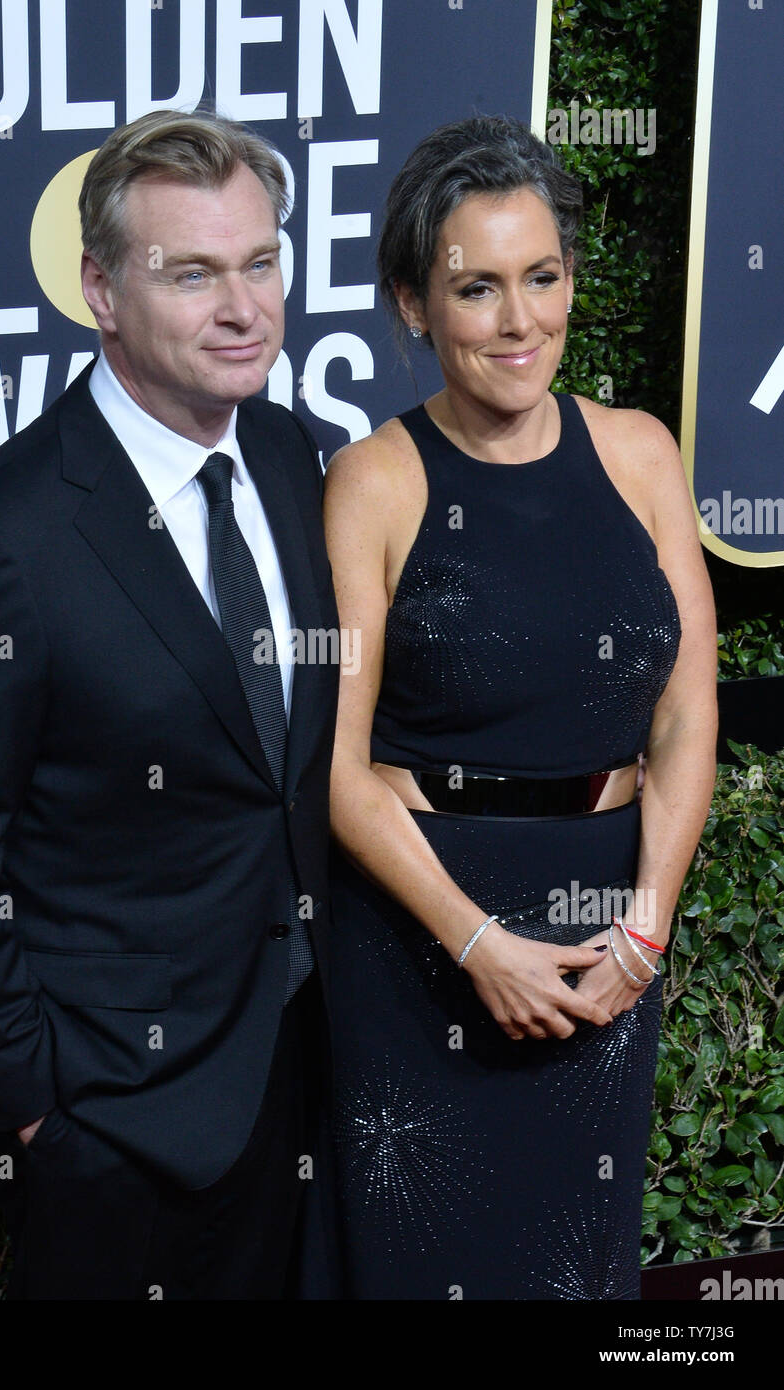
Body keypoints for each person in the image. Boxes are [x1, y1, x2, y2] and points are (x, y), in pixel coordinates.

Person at [0, 109, 340, 1300]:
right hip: (118, 1126)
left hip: (305, 1076)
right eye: (192, 273)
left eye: (260, 262)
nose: (244, 308)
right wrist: (40, 1113)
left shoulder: (291, 456)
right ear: (100, 288)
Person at [322, 115, 717, 1300]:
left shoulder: (641, 453)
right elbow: (336, 766)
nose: (518, 321)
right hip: (419, 944)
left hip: (609, 941)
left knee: (575, 1270)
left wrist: (642, 929)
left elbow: (686, 712)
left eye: (540, 278)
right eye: (476, 289)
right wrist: (475, 942)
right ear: (411, 305)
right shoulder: (373, 480)